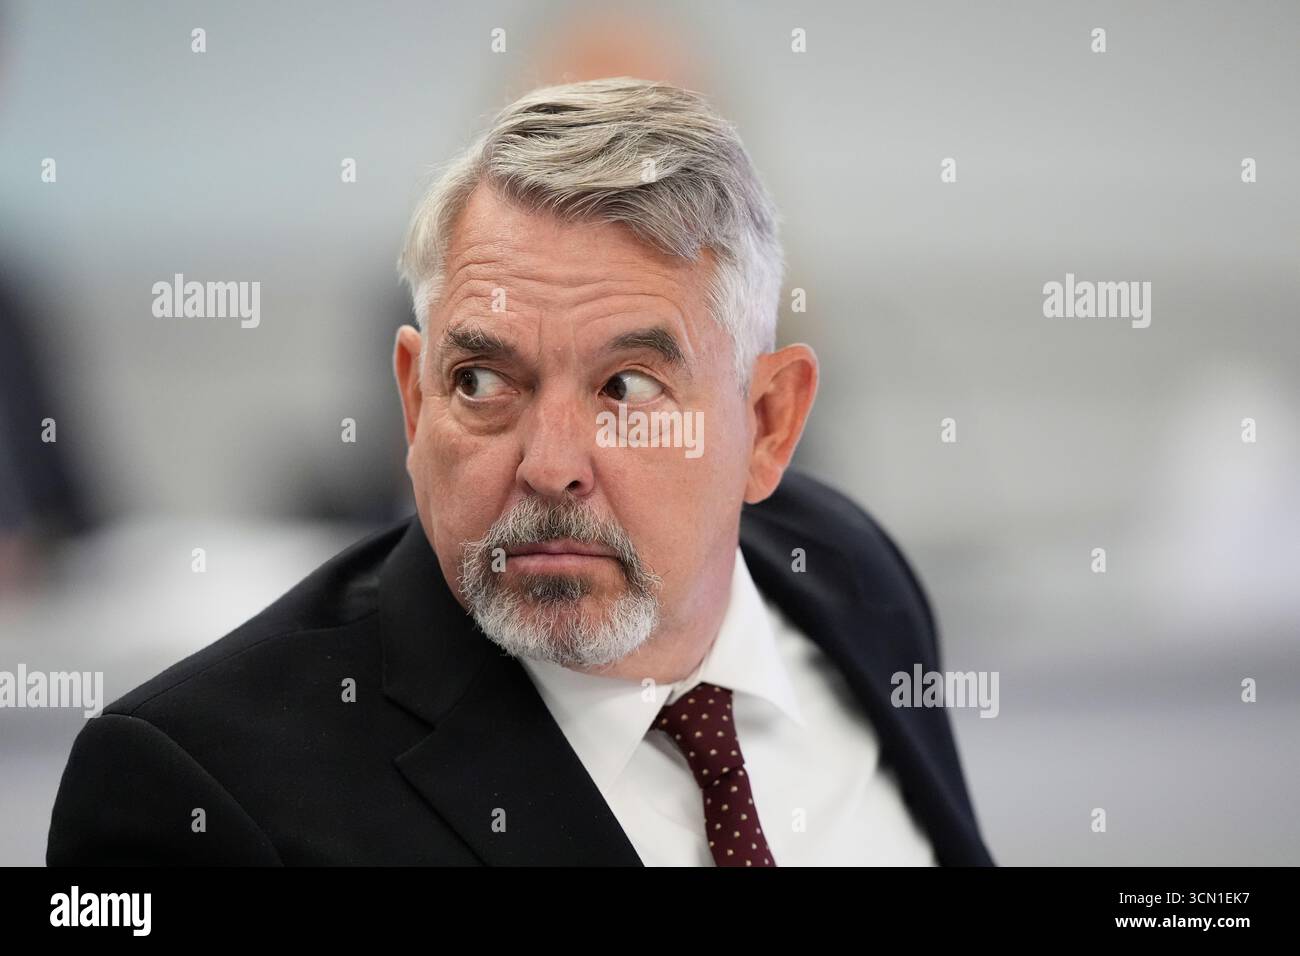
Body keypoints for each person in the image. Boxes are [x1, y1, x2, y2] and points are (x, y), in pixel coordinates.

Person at [47, 77, 994, 866]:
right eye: (484, 380)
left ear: (769, 424)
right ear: (416, 405)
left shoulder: (849, 576)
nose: (550, 467)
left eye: (626, 386)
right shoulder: (195, 789)